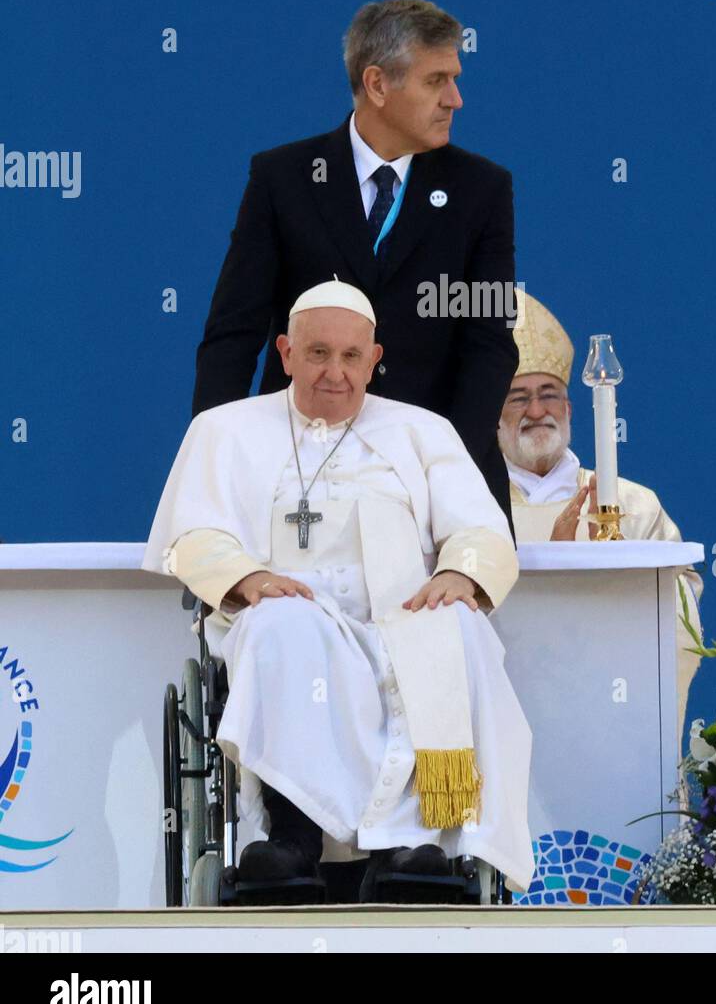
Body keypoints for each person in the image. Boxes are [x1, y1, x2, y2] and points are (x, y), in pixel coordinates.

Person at [144, 279, 535, 900]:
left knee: (453, 626)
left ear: (374, 359)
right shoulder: (225, 430)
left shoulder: (421, 431)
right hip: (290, 609)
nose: (335, 373)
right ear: (285, 353)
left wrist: (459, 571)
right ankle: (292, 838)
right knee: (282, 623)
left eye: (352, 356)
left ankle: (414, 843)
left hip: (401, 615)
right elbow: (192, 536)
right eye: (318, 353)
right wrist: (248, 579)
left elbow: (483, 530)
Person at [191, 0, 517, 525]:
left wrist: (441, 468)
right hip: (290, 477)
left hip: (437, 485)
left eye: (454, 78)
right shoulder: (283, 180)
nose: (455, 99)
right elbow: (234, 334)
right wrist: (211, 474)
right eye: (436, 81)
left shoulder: (482, 190)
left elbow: (490, 343)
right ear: (378, 84)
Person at [497, 290, 704, 750]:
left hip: (614, 731)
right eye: (519, 398)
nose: (536, 411)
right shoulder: (474, 505)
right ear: (496, 416)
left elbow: (680, 608)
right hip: (510, 727)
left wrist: (602, 580)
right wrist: (552, 569)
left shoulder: (634, 503)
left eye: (549, 395)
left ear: (570, 409)